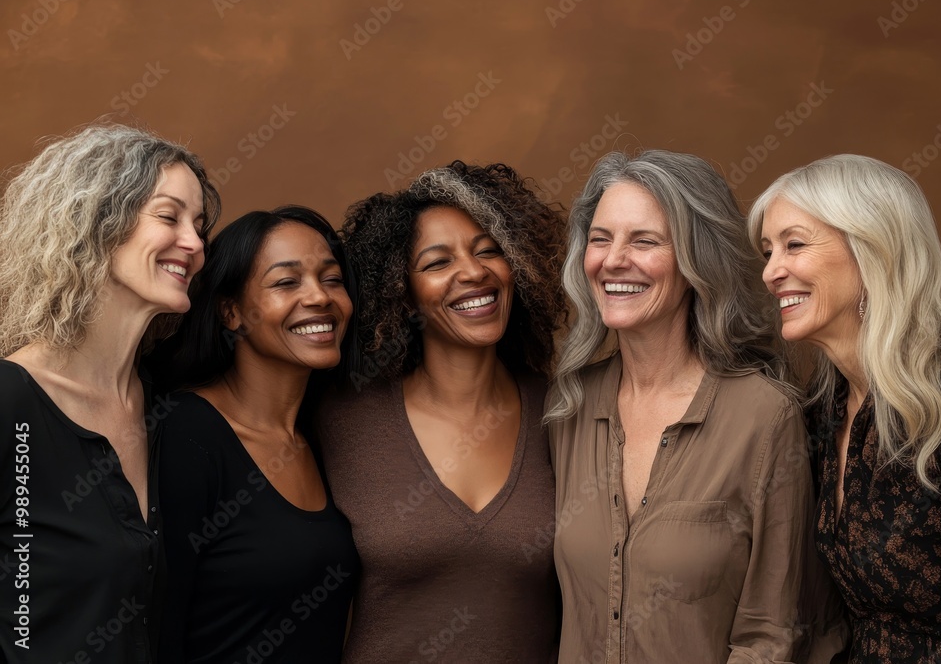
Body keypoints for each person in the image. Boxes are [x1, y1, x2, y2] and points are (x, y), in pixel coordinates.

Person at [545, 150, 847, 663]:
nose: (614, 259)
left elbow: (772, 634)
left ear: (694, 262)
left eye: (645, 240)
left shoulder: (763, 415)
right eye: (600, 239)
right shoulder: (568, 405)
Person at [750, 154, 941, 662]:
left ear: (874, 250)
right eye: (768, 251)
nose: (771, 272)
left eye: (794, 245)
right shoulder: (824, 413)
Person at [319, 161, 565, 662]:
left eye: (488, 251)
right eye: (437, 263)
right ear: (400, 294)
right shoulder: (338, 418)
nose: (474, 272)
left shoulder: (565, 412)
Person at [0, 123, 220, 662]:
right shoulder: (10, 402)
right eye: (168, 217)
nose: (193, 244)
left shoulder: (167, 410)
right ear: (93, 224)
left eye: (199, 226)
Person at [155, 206, 360, 663]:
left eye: (332, 279)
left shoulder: (326, 438)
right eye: (286, 282)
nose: (320, 298)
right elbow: (156, 628)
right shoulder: (185, 434)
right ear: (231, 313)